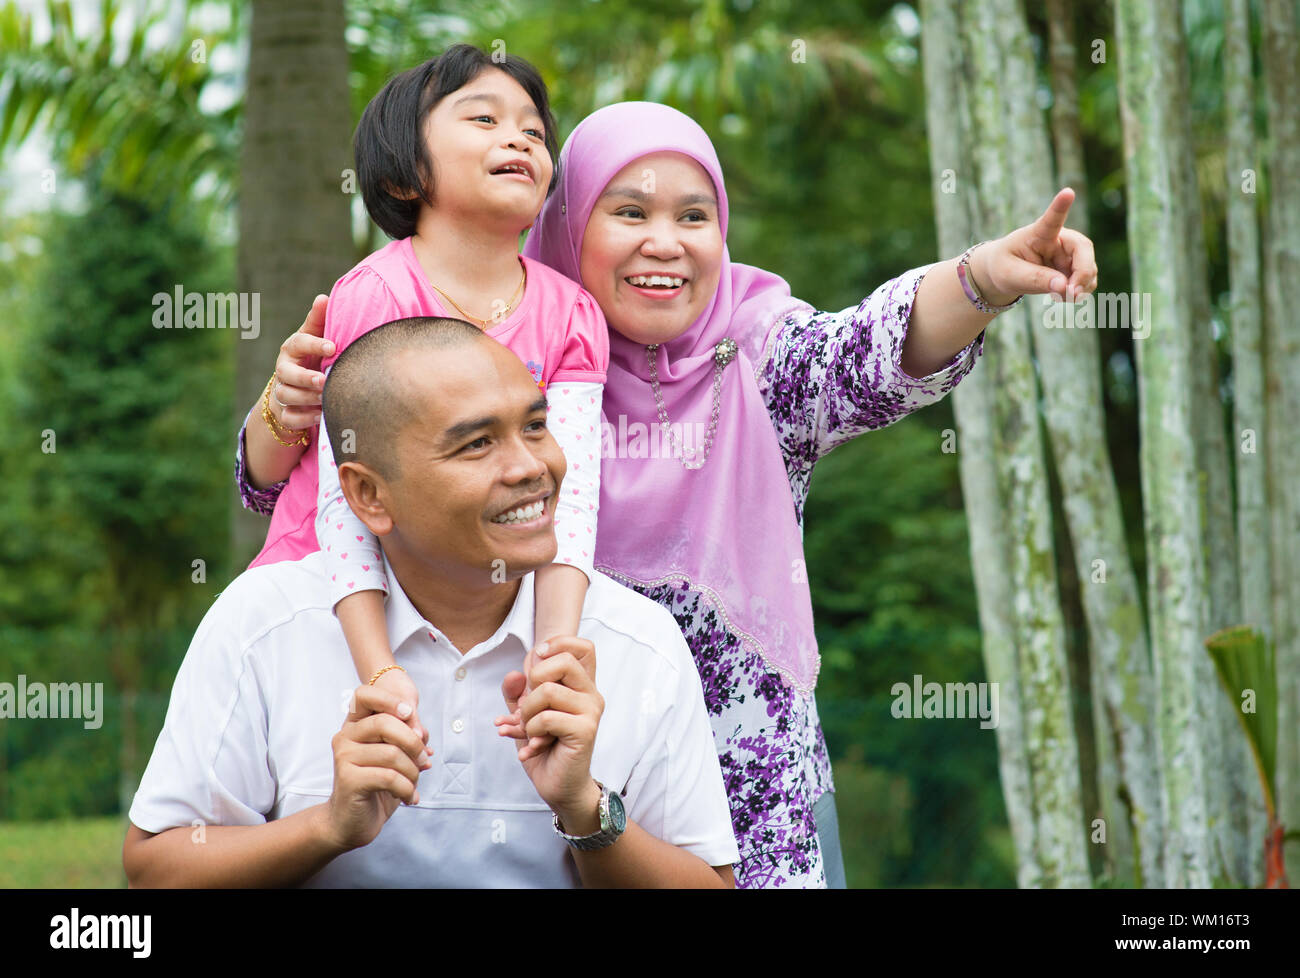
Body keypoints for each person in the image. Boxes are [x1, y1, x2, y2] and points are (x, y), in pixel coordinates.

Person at [255, 102, 1097, 888]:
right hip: (547, 768)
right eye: (628, 213)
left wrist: (985, 279)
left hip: (751, 785)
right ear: (567, 224)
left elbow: (868, 351)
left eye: (694, 216)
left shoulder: (759, 351)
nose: (667, 242)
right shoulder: (495, 368)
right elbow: (335, 498)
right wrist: (272, 419)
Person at [124, 318, 738, 888]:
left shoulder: (637, 641)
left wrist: (585, 810)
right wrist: (328, 827)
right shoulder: (265, 623)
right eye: (475, 445)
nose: (532, 468)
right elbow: (154, 868)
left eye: (535, 426)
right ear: (368, 495)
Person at [238, 43, 609, 760]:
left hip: (474, 599)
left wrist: (554, 651)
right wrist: (377, 666)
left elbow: (576, 491)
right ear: (406, 172)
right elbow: (345, 499)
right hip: (329, 599)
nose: (520, 139)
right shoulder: (374, 296)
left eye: (534, 131)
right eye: (484, 118)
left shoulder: (572, 314)